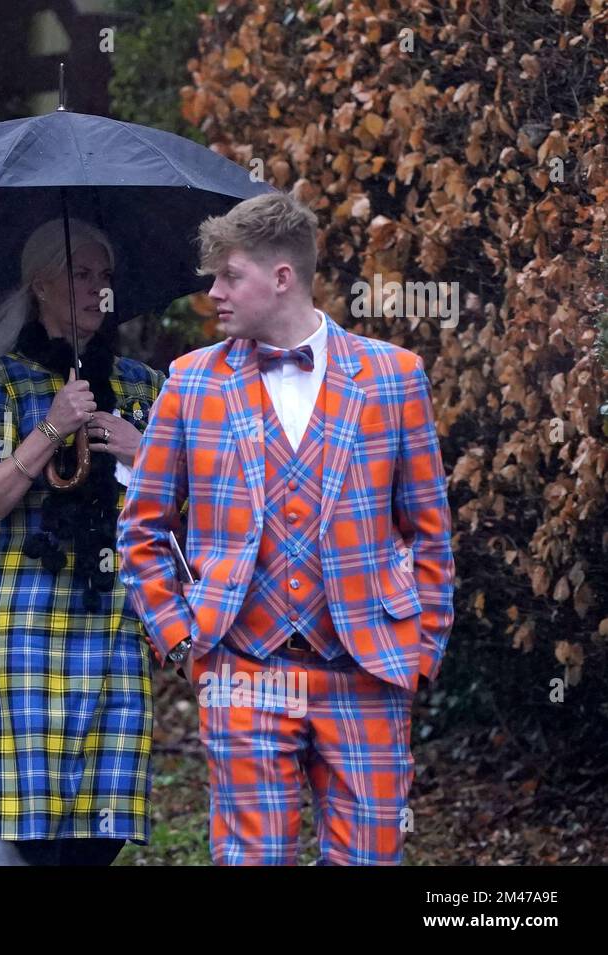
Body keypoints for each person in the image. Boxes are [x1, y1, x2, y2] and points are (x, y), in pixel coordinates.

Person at [118, 191, 455, 865]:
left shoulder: (393, 377)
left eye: (228, 276)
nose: (212, 291)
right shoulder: (191, 382)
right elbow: (143, 529)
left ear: (281, 278)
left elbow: (429, 531)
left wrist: (420, 650)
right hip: (244, 669)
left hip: (365, 669)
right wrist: (182, 639)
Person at [0, 218, 162, 866]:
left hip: (116, 619)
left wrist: (147, 452)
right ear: (40, 282)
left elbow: (189, 507)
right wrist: (51, 426)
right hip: (31, 617)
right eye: (80, 272)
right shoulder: (2, 379)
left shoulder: (142, 385)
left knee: (104, 823)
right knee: (36, 820)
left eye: (104, 276)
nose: (96, 288)